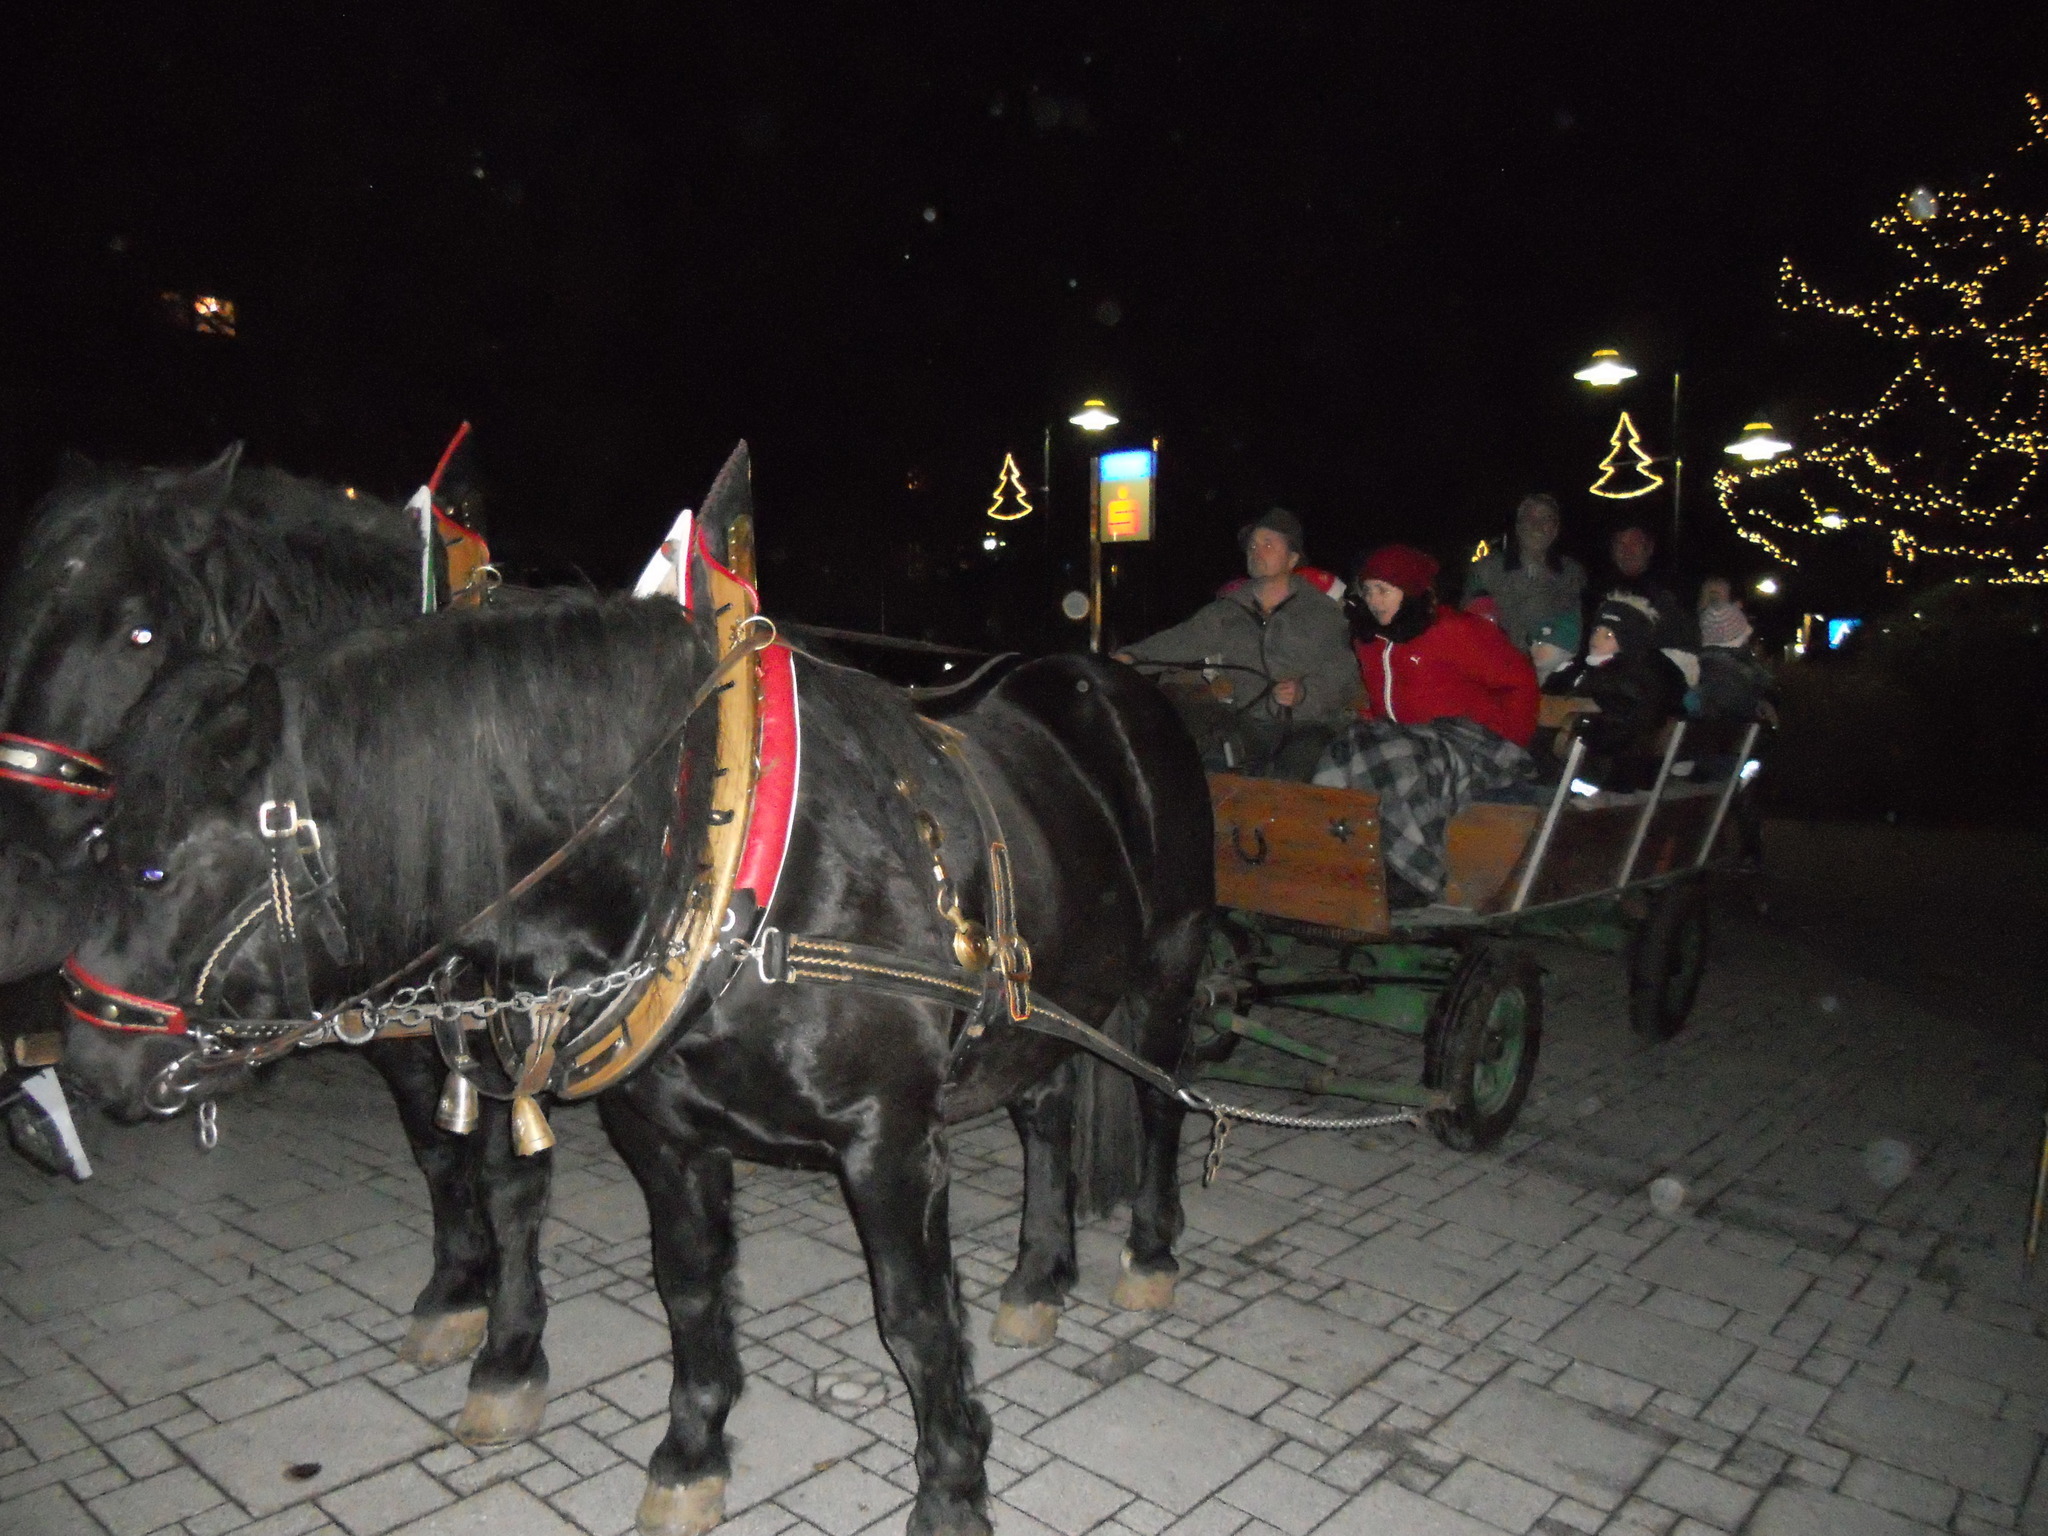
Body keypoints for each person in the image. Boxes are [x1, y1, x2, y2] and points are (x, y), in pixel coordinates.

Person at [1314, 544, 1539, 907]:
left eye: (1384, 590)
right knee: (1348, 746)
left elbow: (1520, 682)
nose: (1374, 600)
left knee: (1402, 759)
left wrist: (1512, 744)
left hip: (1472, 741)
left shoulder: (1455, 631)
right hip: (1407, 741)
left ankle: (1413, 875)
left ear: (1412, 591)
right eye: (1368, 590)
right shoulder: (1370, 641)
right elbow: (1381, 703)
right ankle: (1339, 858)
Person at [1116, 507, 1359, 778]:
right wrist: (1130, 659)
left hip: (1310, 726)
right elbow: (1181, 640)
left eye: (1269, 544)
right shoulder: (1228, 611)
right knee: (1208, 768)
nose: (1257, 551)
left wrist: (1304, 693)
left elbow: (1344, 673)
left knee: (1296, 782)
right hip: (1249, 724)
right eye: (1253, 545)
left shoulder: (1321, 612)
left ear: (1292, 558)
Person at [1541, 594, 1687, 791]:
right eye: (1596, 631)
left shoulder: (1632, 676)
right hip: (1582, 763)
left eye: (1608, 635)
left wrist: (1579, 720)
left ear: (1628, 641)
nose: (1596, 639)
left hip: (1603, 771)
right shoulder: (1584, 668)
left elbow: (1626, 724)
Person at [1462, 493, 1587, 651]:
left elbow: (1572, 629)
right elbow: (1470, 625)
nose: (1537, 525)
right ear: (1518, 526)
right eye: (1530, 518)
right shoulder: (1487, 569)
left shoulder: (1571, 574)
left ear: (1555, 529)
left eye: (1546, 519)